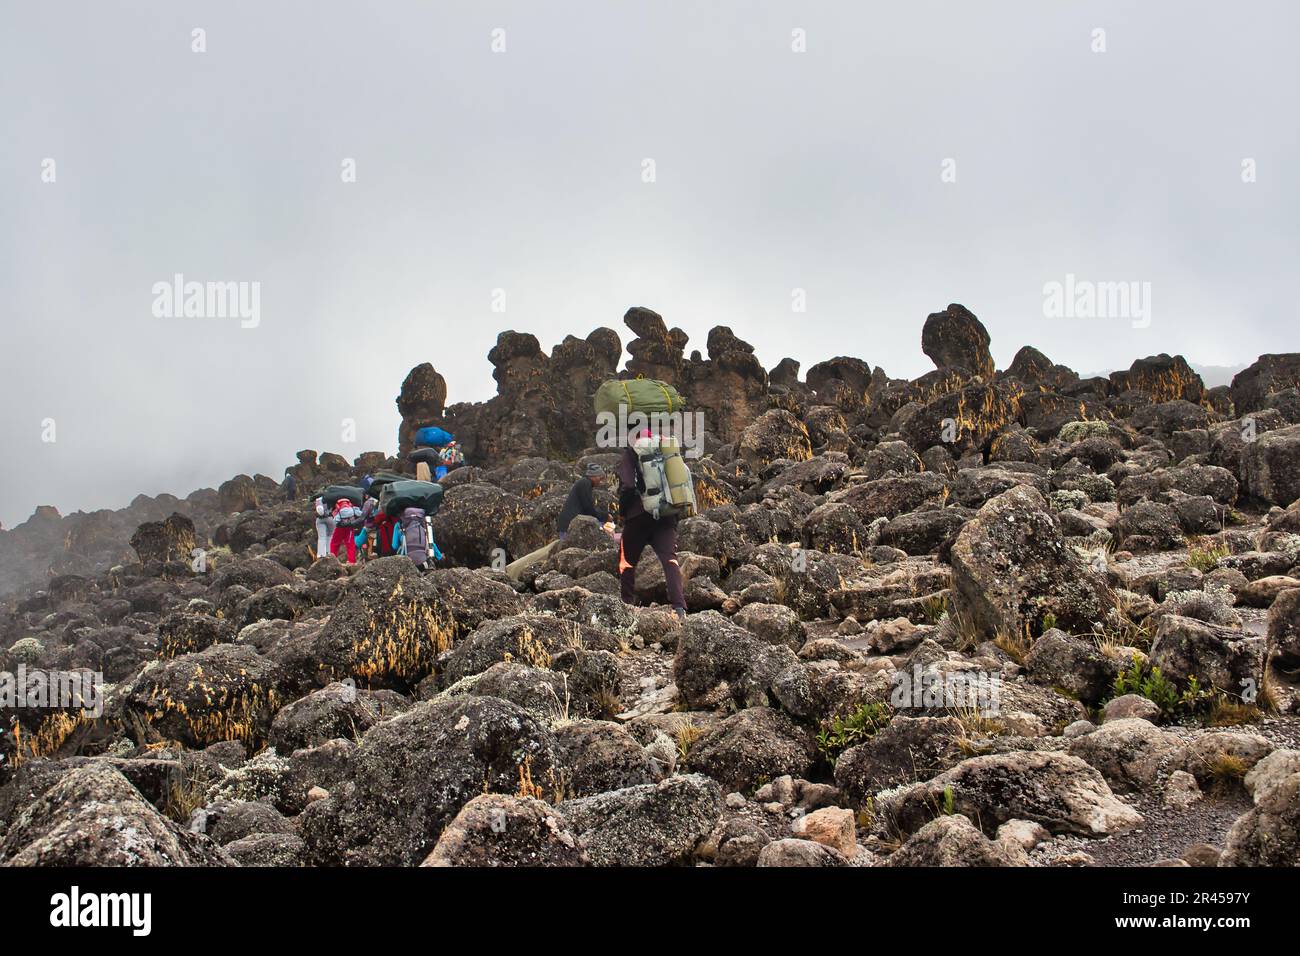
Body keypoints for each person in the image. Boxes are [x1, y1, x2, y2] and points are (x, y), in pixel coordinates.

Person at [615, 436, 686, 619]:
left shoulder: (631, 454)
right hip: (666, 515)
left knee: (626, 561)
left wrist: (623, 511)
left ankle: (626, 606)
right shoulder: (663, 451)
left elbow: (628, 485)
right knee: (670, 560)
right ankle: (679, 608)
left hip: (638, 517)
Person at [557, 463, 611, 538]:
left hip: (569, 524)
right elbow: (588, 508)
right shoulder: (585, 483)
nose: (600, 482)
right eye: (600, 478)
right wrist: (605, 516)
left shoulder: (585, 483)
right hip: (568, 525)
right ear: (594, 476)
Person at [329, 497, 362, 564]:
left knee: (334, 543)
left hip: (339, 528)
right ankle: (351, 561)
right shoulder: (351, 507)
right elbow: (360, 514)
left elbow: (335, 521)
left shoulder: (339, 508)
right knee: (350, 544)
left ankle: (332, 560)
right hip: (350, 528)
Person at [313, 496, 336, 560]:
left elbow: (319, 510)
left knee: (321, 537)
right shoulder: (331, 497)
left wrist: (322, 514)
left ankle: (321, 555)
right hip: (330, 519)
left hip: (320, 519)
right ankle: (329, 553)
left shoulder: (318, 499)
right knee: (330, 536)